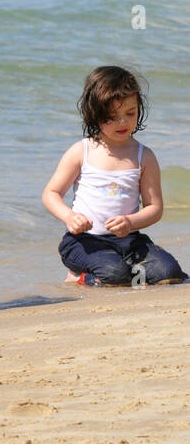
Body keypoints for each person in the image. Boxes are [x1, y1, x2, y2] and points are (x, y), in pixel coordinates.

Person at [42, 66, 184, 286]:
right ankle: (78, 276)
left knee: (169, 273)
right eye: (112, 117)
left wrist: (130, 221)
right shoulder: (81, 151)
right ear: (94, 114)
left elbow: (154, 208)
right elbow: (51, 193)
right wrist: (70, 217)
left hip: (130, 241)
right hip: (84, 242)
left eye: (130, 113)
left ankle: (126, 269)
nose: (123, 123)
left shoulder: (143, 156)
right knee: (115, 275)